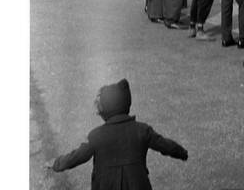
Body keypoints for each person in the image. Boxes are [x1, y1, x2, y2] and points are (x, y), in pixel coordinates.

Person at [48, 79, 188, 187]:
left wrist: (56, 163)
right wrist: (181, 152)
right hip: (137, 185)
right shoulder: (142, 130)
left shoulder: (96, 136)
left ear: (104, 111)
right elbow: (164, 145)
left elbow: (77, 157)